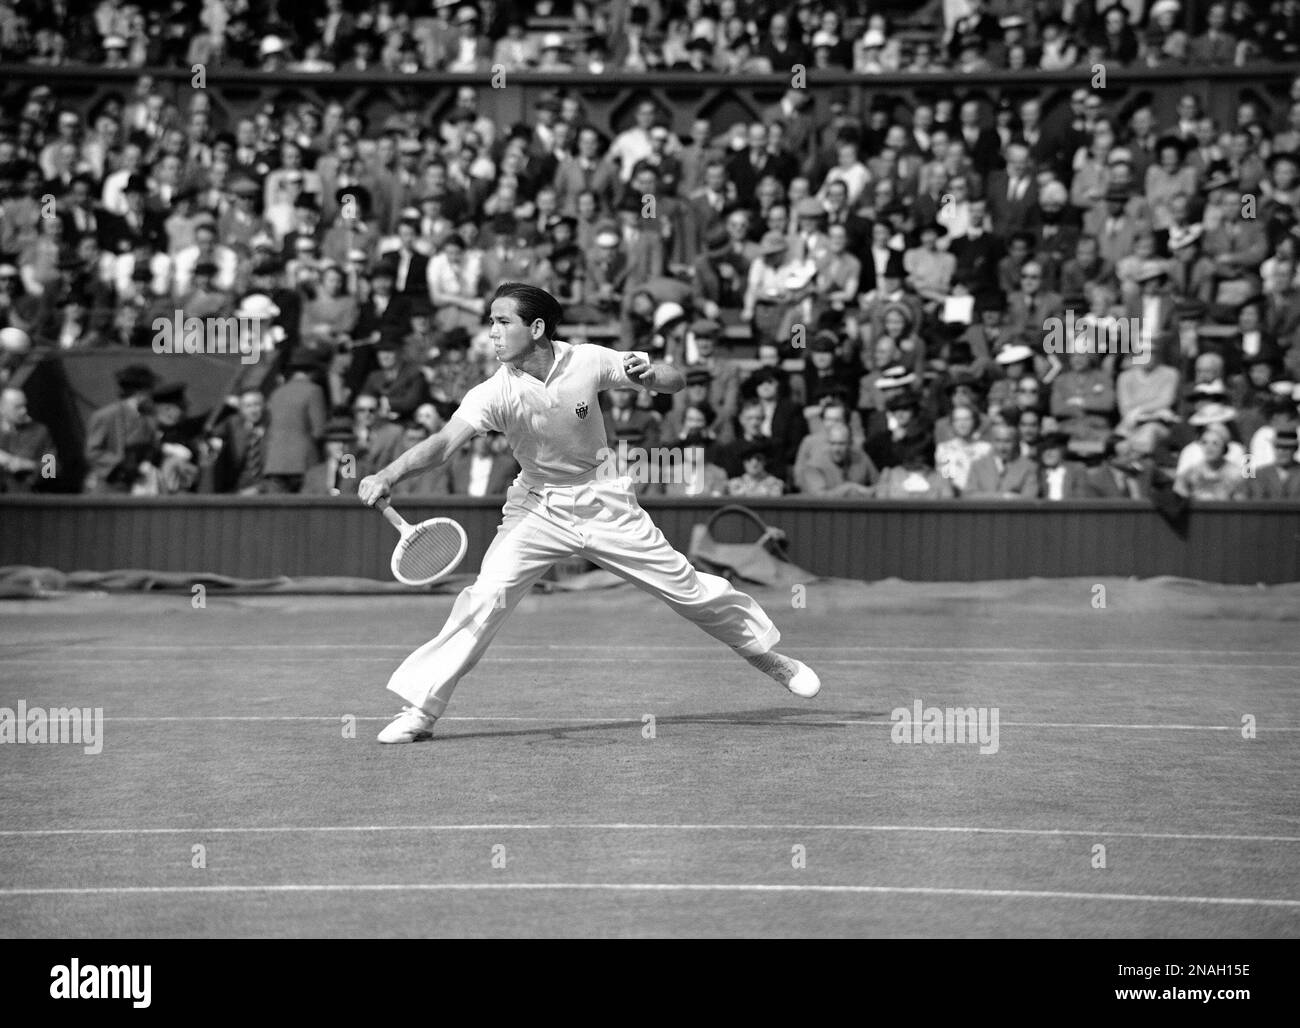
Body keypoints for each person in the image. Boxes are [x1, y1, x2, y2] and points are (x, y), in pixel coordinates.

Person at [358, 284, 821, 743]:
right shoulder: (493, 392)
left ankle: (766, 657)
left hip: (604, 501)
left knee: (687, 591)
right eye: (491, 323)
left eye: (503, 322)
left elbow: (676, 381)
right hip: (536, 508)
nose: (493, 333)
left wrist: (654, 375)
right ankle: (421, 710)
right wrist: (390, 474)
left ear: (536, 328)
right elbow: (443, 445)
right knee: (485, 598)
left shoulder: (588, 359)